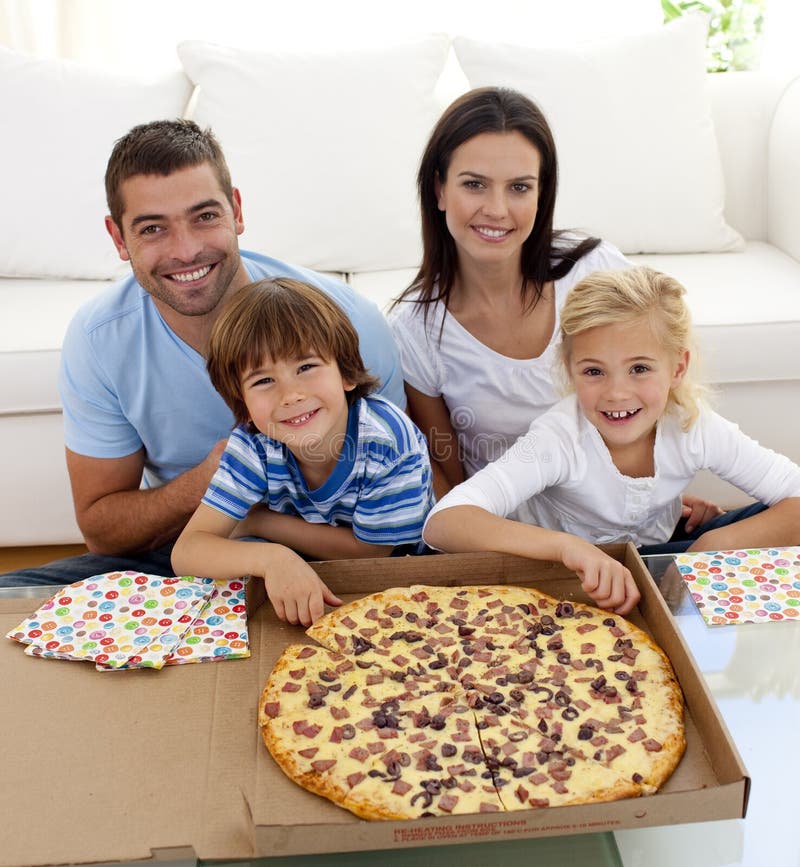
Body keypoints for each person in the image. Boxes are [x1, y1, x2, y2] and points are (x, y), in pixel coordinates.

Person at [0, 120, 404, 588]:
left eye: (205, 217)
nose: (187, 250)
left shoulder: (347, 319)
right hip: (190, 550)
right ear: (118, 239)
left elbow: (391, 496)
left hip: (333, 550)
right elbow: (103, 531)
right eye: (153, 228)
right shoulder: (99, 339)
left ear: (236, 210)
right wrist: (213, 478)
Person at [388, 86, 719, 531]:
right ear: (439, 190)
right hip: (522, 543)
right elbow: (447, 476)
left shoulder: (594, 270)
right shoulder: (416, 329)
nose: (497, 209)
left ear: (542, 193)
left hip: (628, 528)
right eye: (474, 185)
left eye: (519, 187)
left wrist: (654, 494)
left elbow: (661, 393)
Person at [423, 266, 800, 615]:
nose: (617, 393)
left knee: (749, 528)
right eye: (594, 371)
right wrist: (568, 548)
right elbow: (444, 522)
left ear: (677, 368)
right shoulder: (559, 437)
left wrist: (712, 548)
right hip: (565, 577)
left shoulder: (692, 425)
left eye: (639, 369)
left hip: (652, 555)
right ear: (570, 370)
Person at [171, 278, 434, 626]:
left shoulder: (388, 443)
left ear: (345, 372)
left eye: (306, 367)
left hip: (399, 581)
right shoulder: (253, 444)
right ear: (243, 403)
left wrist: (258, 520)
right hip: (296, 574)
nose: (290, 395)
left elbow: (371, 552)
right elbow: (186, 552)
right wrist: (272, 559)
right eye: (263, 381)